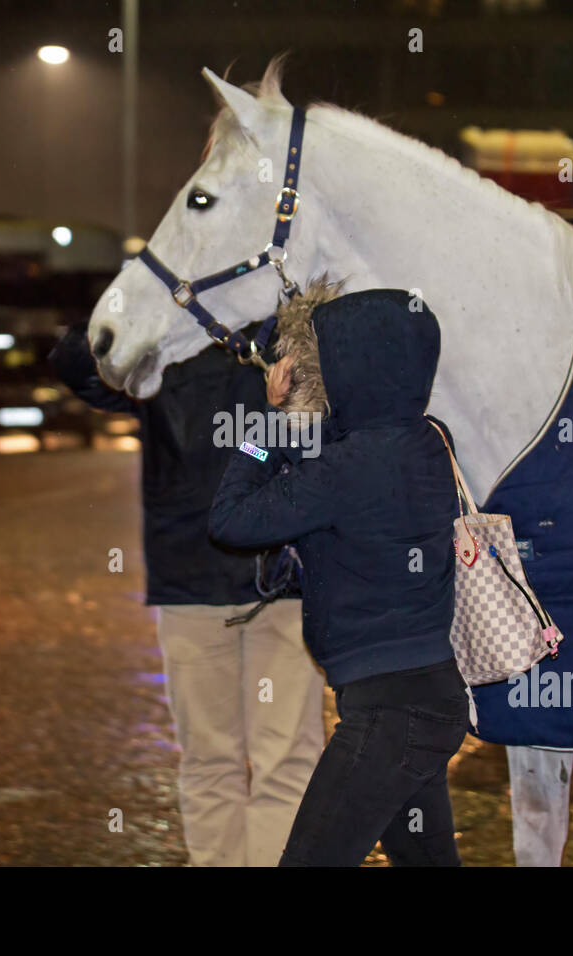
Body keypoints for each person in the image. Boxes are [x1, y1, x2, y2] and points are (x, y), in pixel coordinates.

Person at [209, 287, 468, 866]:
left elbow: (230, 519)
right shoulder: (429, 440)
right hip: (428, 702)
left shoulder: (343, 472)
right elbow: (345, 457)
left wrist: (265, 427)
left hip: (388, 715)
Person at [51, 322, 324, 867]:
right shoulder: (268, 335)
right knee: (275, 759)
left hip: (235, 578)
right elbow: (75, 363)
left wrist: (136, 310)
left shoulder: (171, 344)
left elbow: (76, 363)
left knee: (226, 760)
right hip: (260, 574)